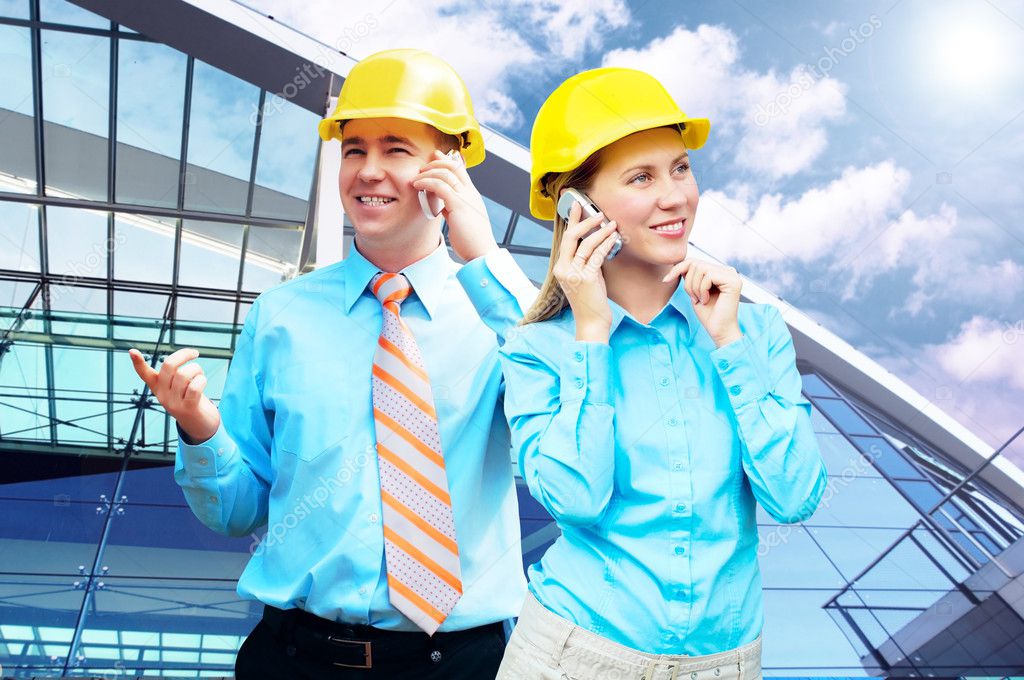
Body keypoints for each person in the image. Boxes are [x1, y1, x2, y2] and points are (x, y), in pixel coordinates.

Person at [128, 48, 536, 679]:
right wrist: (200, 429)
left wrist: (482, 253)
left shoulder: (504, 316)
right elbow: (236, 513)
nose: (368, 171)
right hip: (294, 658)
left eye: (395, 148)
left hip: (459, 662)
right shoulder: (280, 316)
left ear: (448, 165)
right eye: (354, 149)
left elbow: (570, 423)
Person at [495, 67, 828, 680]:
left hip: (726, 665)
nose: (675, 196)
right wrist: (592, 332)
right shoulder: (537, 349)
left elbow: (795, 496)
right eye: (641, 177)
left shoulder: (754, 331)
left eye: (680, 168)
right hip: (575, 659)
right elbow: (576, 501)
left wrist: (727, 343)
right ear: (579, 208)